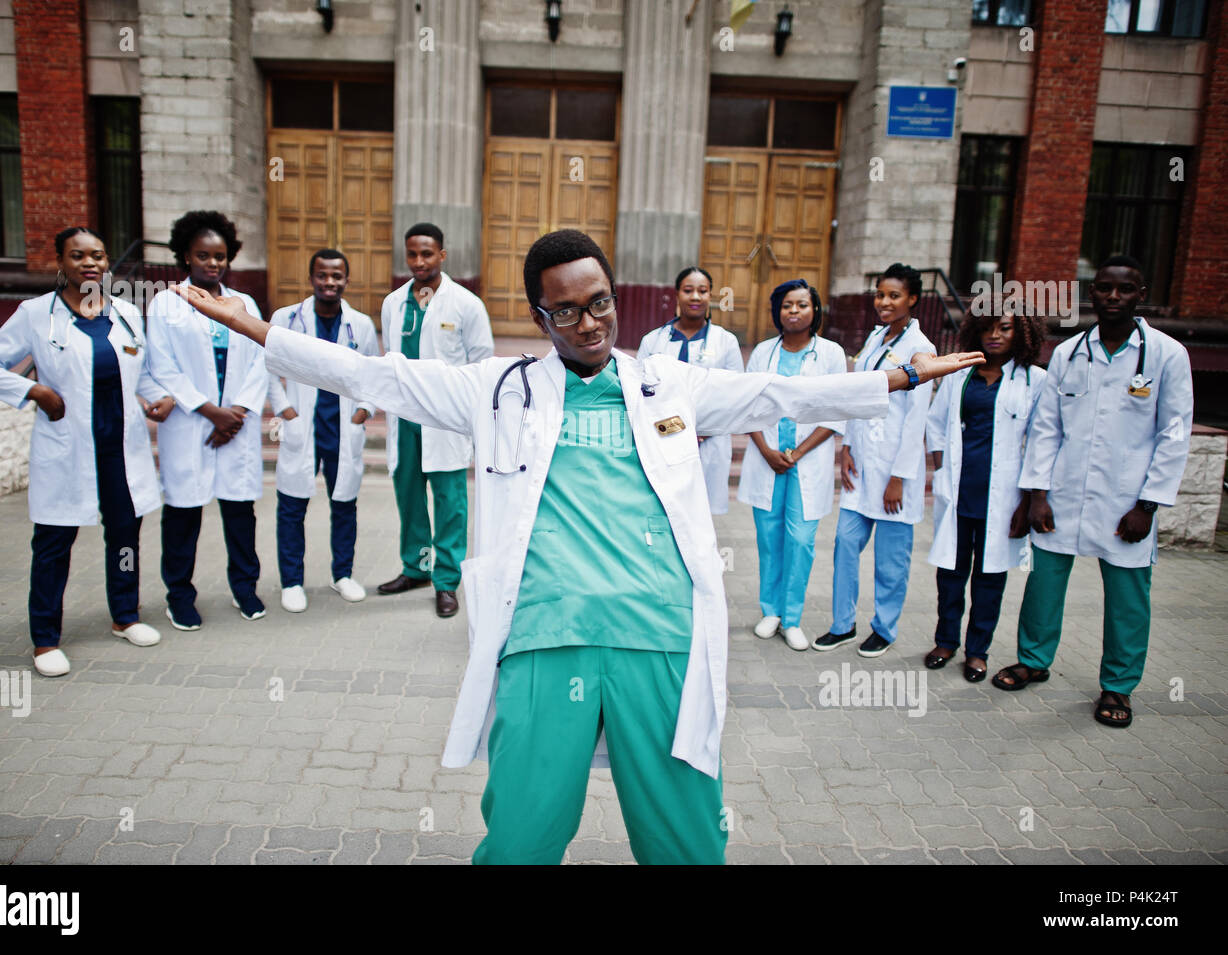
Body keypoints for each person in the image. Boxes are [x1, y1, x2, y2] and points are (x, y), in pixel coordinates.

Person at [177, 228, 982, 865]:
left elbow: (782, 392)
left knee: (687, 841)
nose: (591, 322)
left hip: (657, 634)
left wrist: (903, 380)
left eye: (600, 302)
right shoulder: (499, 387)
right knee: (522, 838)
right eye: (568, 311)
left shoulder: (668, 382)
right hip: (544, 633)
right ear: (540, 317)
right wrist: (253, 330)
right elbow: (373, 376)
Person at [994, 255, 1193, 729]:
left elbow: (1175, 434)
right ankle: (1033, 659)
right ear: (1093, 293)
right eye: (1104, 289)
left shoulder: (1166, 354)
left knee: (1127, 596)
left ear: (1140, 295)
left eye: (1124, 290)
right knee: (1044, 584)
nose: (1112, 298)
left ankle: (1118, 687)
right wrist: (1036, 492)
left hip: (1127, 500)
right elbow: (1046, 428)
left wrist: (1148, 505)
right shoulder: (1069, 353)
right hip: (1062, 495)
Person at [0, 227, 173, 676]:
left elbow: (143, 373)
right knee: (54, 543)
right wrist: (35, 390)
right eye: (77, 256)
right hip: (69, 450)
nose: (90, 264)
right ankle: (45, 639)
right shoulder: (36, 314)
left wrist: (162, 397)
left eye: (97, 255)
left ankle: (125, 615)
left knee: (124, 536)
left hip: (120, 449)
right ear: (60, 263)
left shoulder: (125, 313)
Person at [146, 210, 268, 630]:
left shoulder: (244, 303)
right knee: (183, 515)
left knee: (239, 514)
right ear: (185, 256)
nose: (212, 264)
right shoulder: (167, 302)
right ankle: (179, 595)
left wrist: (237, 412)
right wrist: (210, 410)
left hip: (236, 424)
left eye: (219, 256)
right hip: (191, 423)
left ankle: (245, 589)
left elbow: (260, 361)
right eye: (203, 255)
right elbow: (162, 365)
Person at [815, 263, 936, 658]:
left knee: (890, 561)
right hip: (863, 463)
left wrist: (899, 477)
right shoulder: (874, 338)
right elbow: (857, 394)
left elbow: (916, 417)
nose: (884, 302)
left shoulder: (923, 350)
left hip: (893, 473)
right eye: (880, 295)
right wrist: (848, 445)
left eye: (894, 296)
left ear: (912, 299)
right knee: (845, 544)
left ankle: (884, 627)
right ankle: (842, 624)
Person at [376, 223, 494, 618]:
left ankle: (446, 582)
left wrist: (476, 422)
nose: (419, 261)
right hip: (406, 417)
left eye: (427, 253)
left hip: (445, 420)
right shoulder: (393, 302)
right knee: (409, 499)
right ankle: (416, 568)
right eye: (412, 254)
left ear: (442, 255)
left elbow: (482, 366)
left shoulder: (466, 304)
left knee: (450, 505)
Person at [924, 304, 1046, 681]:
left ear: (1020, 334)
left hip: (1004, 498)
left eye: (1005, 329)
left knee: (990, 579)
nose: (995, 335)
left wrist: (1028, 501)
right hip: (959, 493)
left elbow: (1041, 441)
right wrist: (943, 470)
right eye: (988, 329)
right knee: (951, 575)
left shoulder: (1034, 380)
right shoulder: (959, 376)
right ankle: (946, 641)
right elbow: (935, 426)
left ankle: (978, 651)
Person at [736, 279, 847, 651]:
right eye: (787, 305)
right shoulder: (763, 353)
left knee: (800, 540)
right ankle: (771, 611)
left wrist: (797, 453)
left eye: (802, 304)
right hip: (767, 460)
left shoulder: (830, 353)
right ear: (777, 311)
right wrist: (767, 450)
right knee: (769, 539)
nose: (794, 311)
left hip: (807, 462)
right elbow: (746, 406)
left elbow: (836, 411)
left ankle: (793, 617)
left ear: (815, 309)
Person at [268, 250, 379, 612]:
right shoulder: (286, 319)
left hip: (342, 428)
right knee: (292, 505)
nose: (329, 283)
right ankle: (291, 581)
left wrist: (364, 410)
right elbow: (266, 367)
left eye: (336, 276)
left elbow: (373, 374)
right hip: (302, 425)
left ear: (346, 280)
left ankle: (342, 574)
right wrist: (284, 409)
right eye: (322, 276)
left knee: (344, 504)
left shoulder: (359, 325)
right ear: (311, 277)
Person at [636, 267, 743, 514]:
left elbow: (735, 392)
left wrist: (703, 425)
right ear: (677, 295)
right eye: (688, 290)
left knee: (703, 514)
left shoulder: (725, 341)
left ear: (710, 296)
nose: (695, 297)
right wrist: (675, 426)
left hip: (710, 437)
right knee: (666, 509)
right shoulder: (654, 340)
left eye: (702, 291)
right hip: (664, 434)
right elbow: (639, 390)